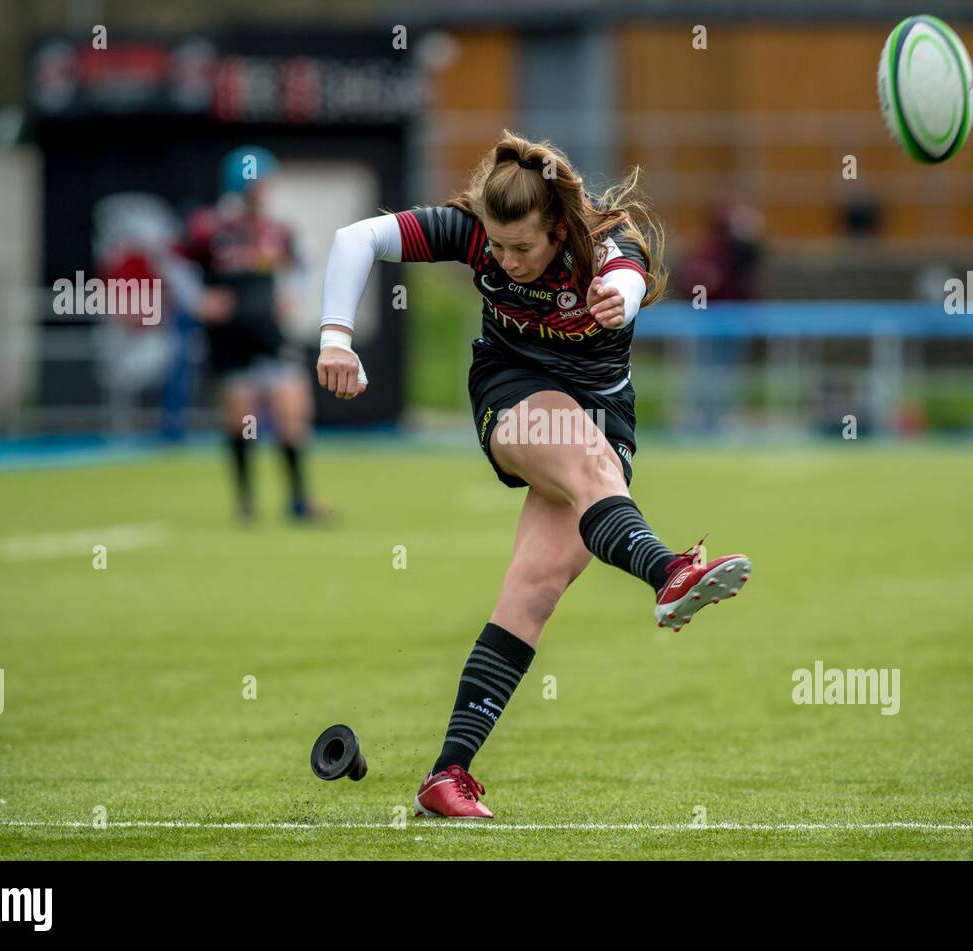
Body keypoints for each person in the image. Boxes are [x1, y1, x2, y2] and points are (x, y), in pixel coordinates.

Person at [318, 131, 752, 818]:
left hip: (607, 409)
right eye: (496, 246)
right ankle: (669, 569)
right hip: (513, 390)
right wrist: (335, 336)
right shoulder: (473, 232)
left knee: (535, 591)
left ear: (557, 228)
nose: (504, 259)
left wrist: (620, 298)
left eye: (522, 247)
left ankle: (447, 774)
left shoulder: (606, 243)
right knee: (585, 462)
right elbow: (353, 239)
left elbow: (628, 277)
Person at [180, 146, 330, 523]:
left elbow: (302, 265)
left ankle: (298, 499)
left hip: (270, 333)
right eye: (260, 182)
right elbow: (172, 261)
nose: (265, 189)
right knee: (240, 420)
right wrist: (198, 298)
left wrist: (292, 292)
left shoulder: (276, 230)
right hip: (230, 340)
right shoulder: (210, 228)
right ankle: (246, 503)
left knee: (291, 413)